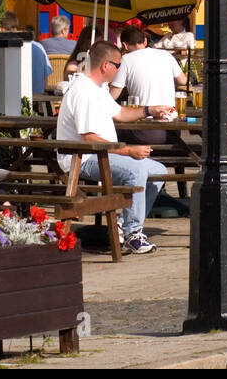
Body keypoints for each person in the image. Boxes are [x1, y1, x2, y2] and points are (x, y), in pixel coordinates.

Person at [56, 40, 171, 254]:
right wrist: (128, 151)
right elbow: (90, 138)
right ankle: (132, 232)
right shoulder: (84, 92)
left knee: (158, 170)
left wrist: (149, 110)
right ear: (105, 66)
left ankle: (123, 224)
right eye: (117, 66)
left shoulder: (98, 88)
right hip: (82, 159)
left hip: (99, 155)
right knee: (136, 169)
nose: (119, 71)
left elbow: (120, 113)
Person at [109, 26, 186, 142]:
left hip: (145, 130)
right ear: (145, 41)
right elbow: (183, 81)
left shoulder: (126, 60)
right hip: (173, 131)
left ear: (124, 45)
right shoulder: (166, 55)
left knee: (111, 128)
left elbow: (112, 96)